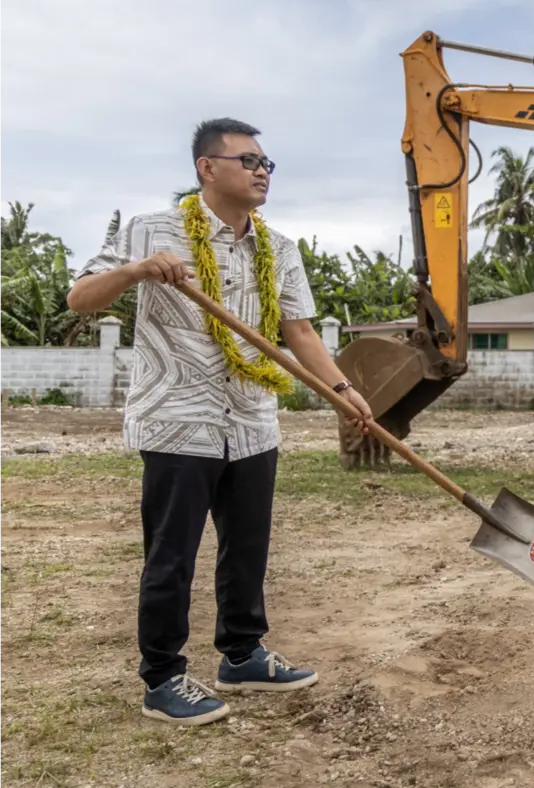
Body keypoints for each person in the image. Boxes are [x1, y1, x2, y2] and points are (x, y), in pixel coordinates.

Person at [66, 118, 375, 726]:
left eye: (267, 164)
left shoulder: (279, 247)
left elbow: (300, 331)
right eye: (249, 160)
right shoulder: (151, 230)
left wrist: (341, 388)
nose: (262, 171)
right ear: (208, 168)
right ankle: (162, 678)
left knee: (248, 549)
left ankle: (242, 654)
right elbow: (80, 298)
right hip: (178, 418)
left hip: (253, 419)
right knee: (172, 554)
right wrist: (136, 272)